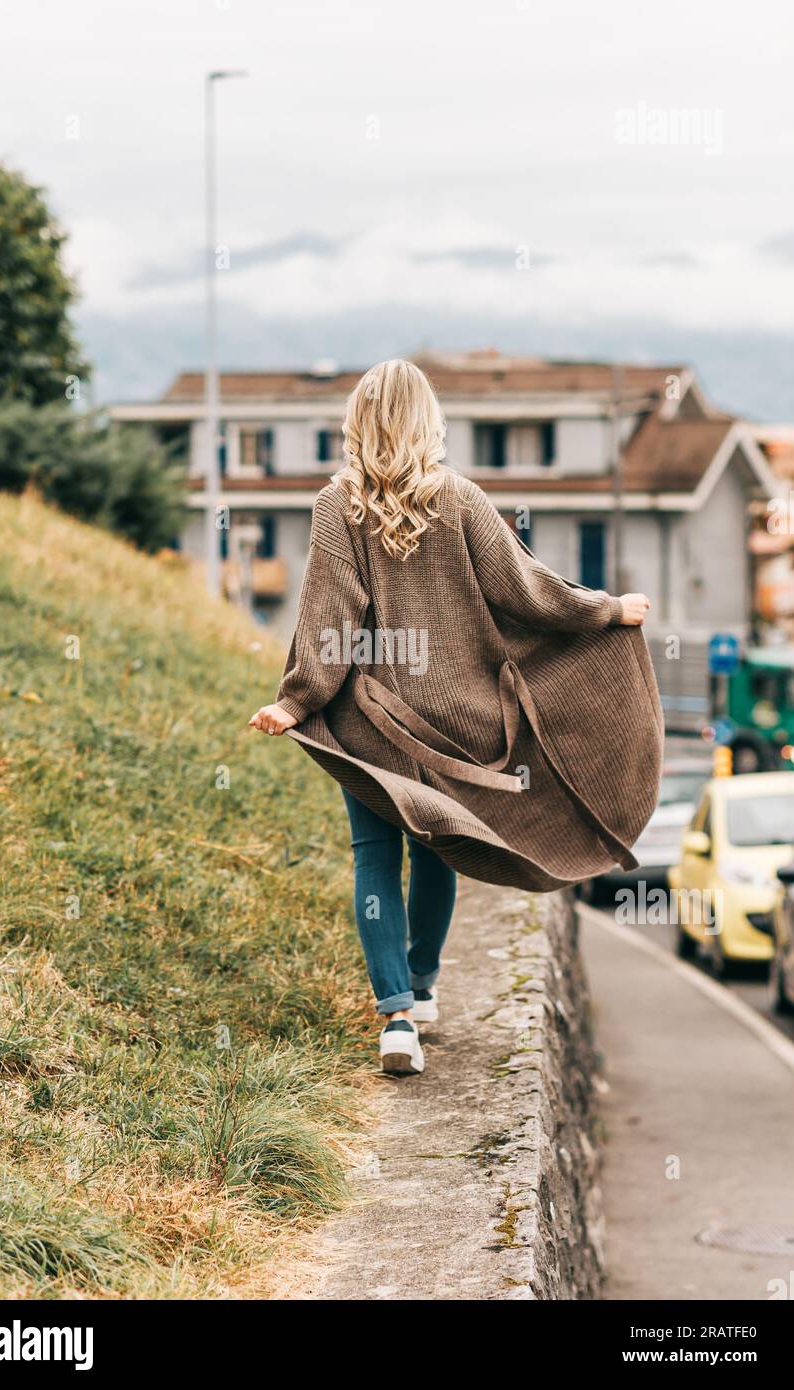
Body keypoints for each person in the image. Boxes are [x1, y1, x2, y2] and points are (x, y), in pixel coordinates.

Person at [250, 359, 661, 1076]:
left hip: (366, 722)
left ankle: (397, 1017)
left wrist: (297, 699)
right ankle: (424, 983)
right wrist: (607, 610)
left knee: (373, 857)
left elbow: (329, 619)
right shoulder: (460, 498)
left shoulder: (334, 506)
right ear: (427, 421)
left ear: (357, 422)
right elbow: (527, 593)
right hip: (454, 725)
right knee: (437, 845)